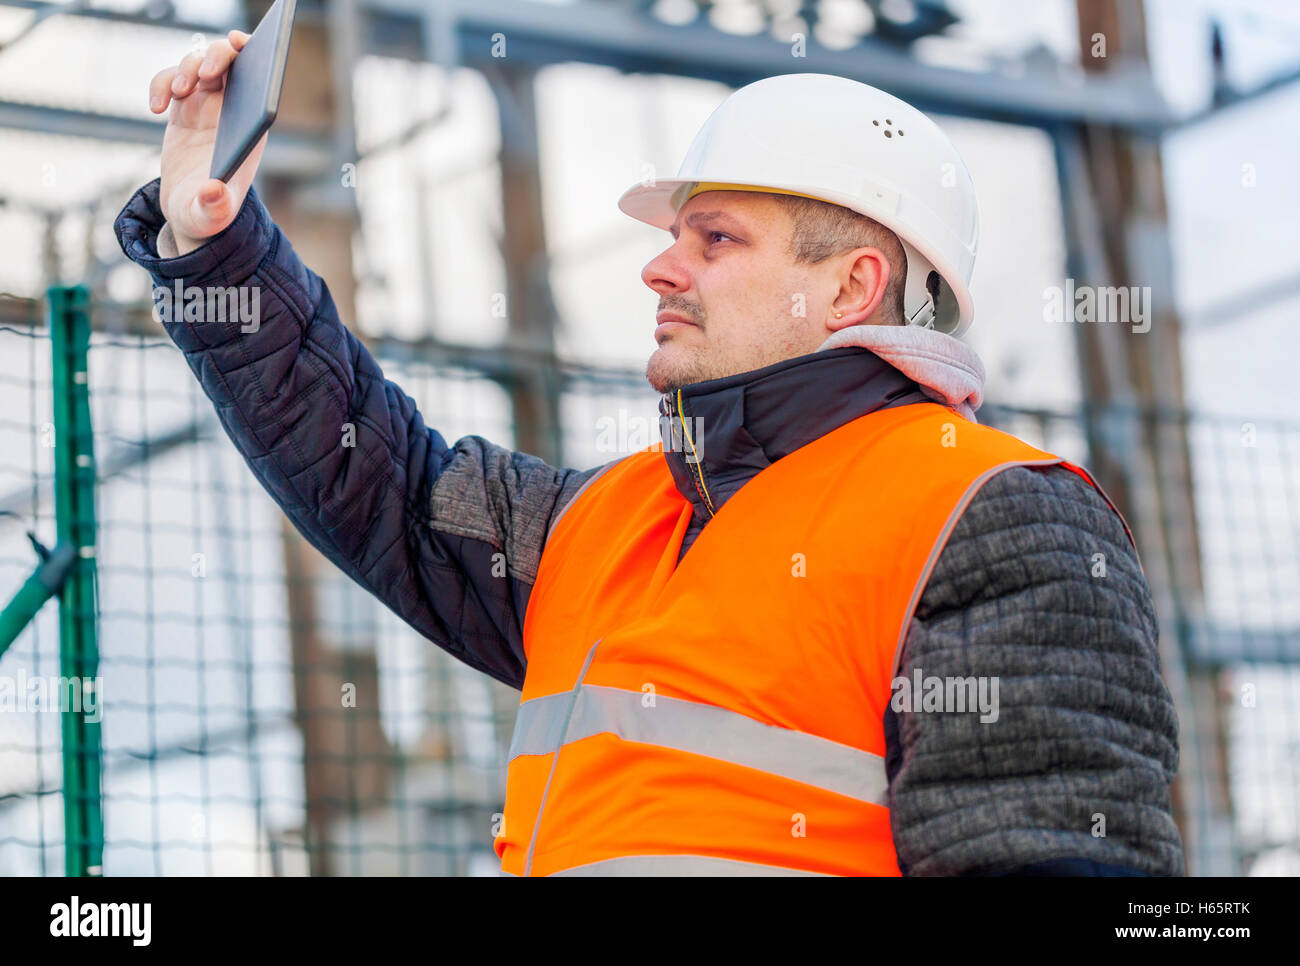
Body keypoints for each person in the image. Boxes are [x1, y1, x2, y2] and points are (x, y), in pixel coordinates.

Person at [115, 34, 1183, 877]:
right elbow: (376, 475)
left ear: (852, 288)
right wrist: (215, 242)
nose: (660, 271)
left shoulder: (992, 513)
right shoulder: (606, 523)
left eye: (715, 239)